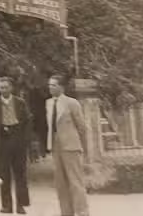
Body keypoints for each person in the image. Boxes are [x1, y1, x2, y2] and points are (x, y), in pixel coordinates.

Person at [0, 76, 31, 214]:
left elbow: (27, 121)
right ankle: (6, 205)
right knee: (4, 175)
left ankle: (21, 205)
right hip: (2, 141)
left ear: (11, 88)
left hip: (17, 139)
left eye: (6, 87)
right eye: (1, 87)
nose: (3, 90)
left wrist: (25, 140)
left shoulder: (20, 102)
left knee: (20, 175)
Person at [46, 75, 89, 216]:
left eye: (53, 85)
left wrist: (79, 144)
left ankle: (82, 212)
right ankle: (66, 212)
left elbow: (82, 126)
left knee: (75, 181)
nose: (50, 88)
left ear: (61, 87)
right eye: (49, 85)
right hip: (55, 146)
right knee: (60, 183)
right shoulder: (48, 103)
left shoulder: (72, 103)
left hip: (70, 146)